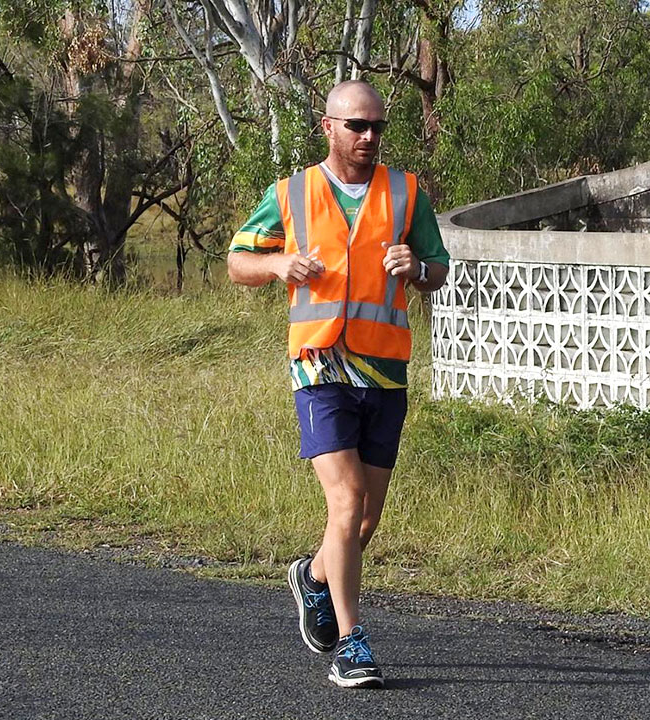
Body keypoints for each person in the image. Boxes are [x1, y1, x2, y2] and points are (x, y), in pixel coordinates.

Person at [226, 79, 449, 689]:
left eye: (377, 127)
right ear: (328, 127)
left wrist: (418, 267)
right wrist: (278, 263)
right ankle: (352, 644)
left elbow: (438, 267)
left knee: (364, 520)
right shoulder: (291, 193)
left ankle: (314, 577)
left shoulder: (406, 193)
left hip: (384, 370)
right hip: (318, 365)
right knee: (346, 502)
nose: (369, 137)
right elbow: (238, 260)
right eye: (357, 126)